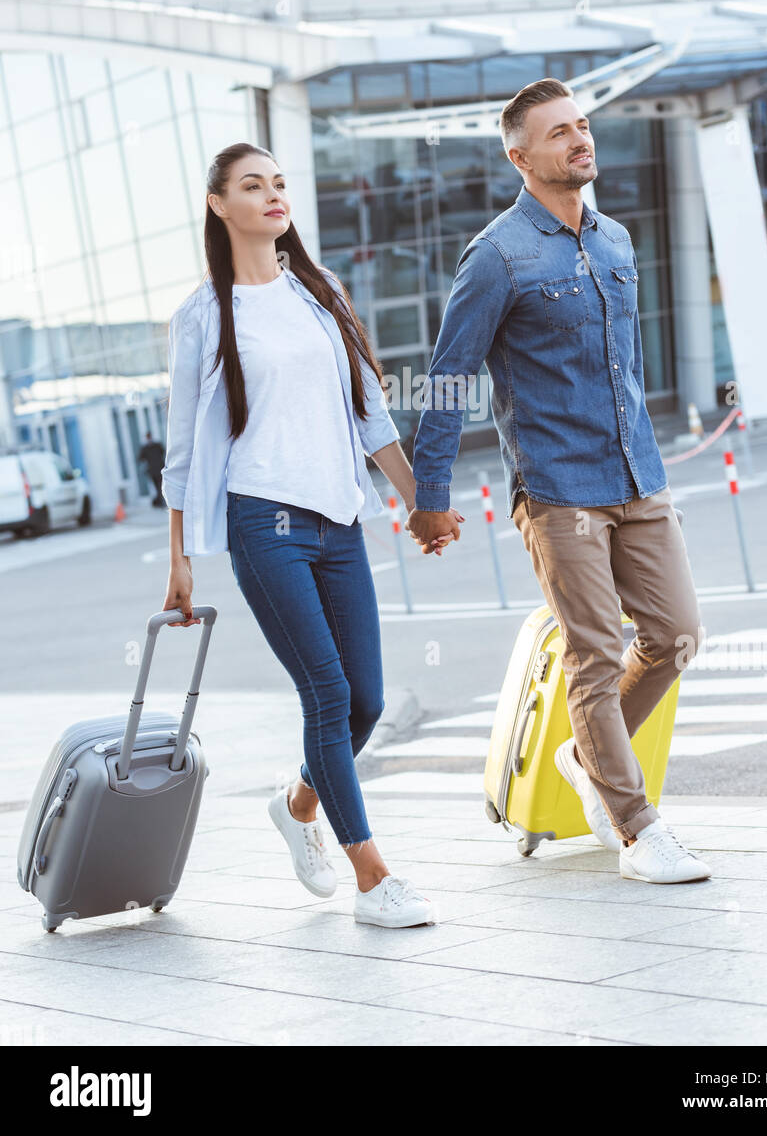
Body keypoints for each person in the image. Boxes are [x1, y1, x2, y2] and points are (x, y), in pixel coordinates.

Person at [406, 79, 711, 885]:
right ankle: (636, 827)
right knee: (592, 655)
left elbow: (627, 369)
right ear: (520, 157)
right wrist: (428, 496)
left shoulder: (614, 240)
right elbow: (448, 377)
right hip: (557, 489)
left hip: (637, 477)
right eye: (558, 134)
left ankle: (583, 754)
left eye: (582, 126)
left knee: (676, 636)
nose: (580, 140)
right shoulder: (498, 255)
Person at [160, 142, 464, 928]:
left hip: (337, 520)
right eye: (251, 185)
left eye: (279, 184)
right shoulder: (202, 316)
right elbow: (184, 448)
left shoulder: (318, 292)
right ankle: (374, 879)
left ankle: (297, 805)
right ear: (219, 205)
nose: (271, 196)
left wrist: (419, 503)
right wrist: (181, 561)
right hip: (265, 522)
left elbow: (369, 414)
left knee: (363, 700)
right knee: (325, 693)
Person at [138, 432, 166, 507]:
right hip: (152, 471)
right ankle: (160, 501)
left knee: (160, 485)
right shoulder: (145, 448)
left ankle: (161, 500)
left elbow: (163, 452)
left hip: (160, 469)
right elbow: (140, 458)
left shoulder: (157, 445)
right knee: (156, 487)